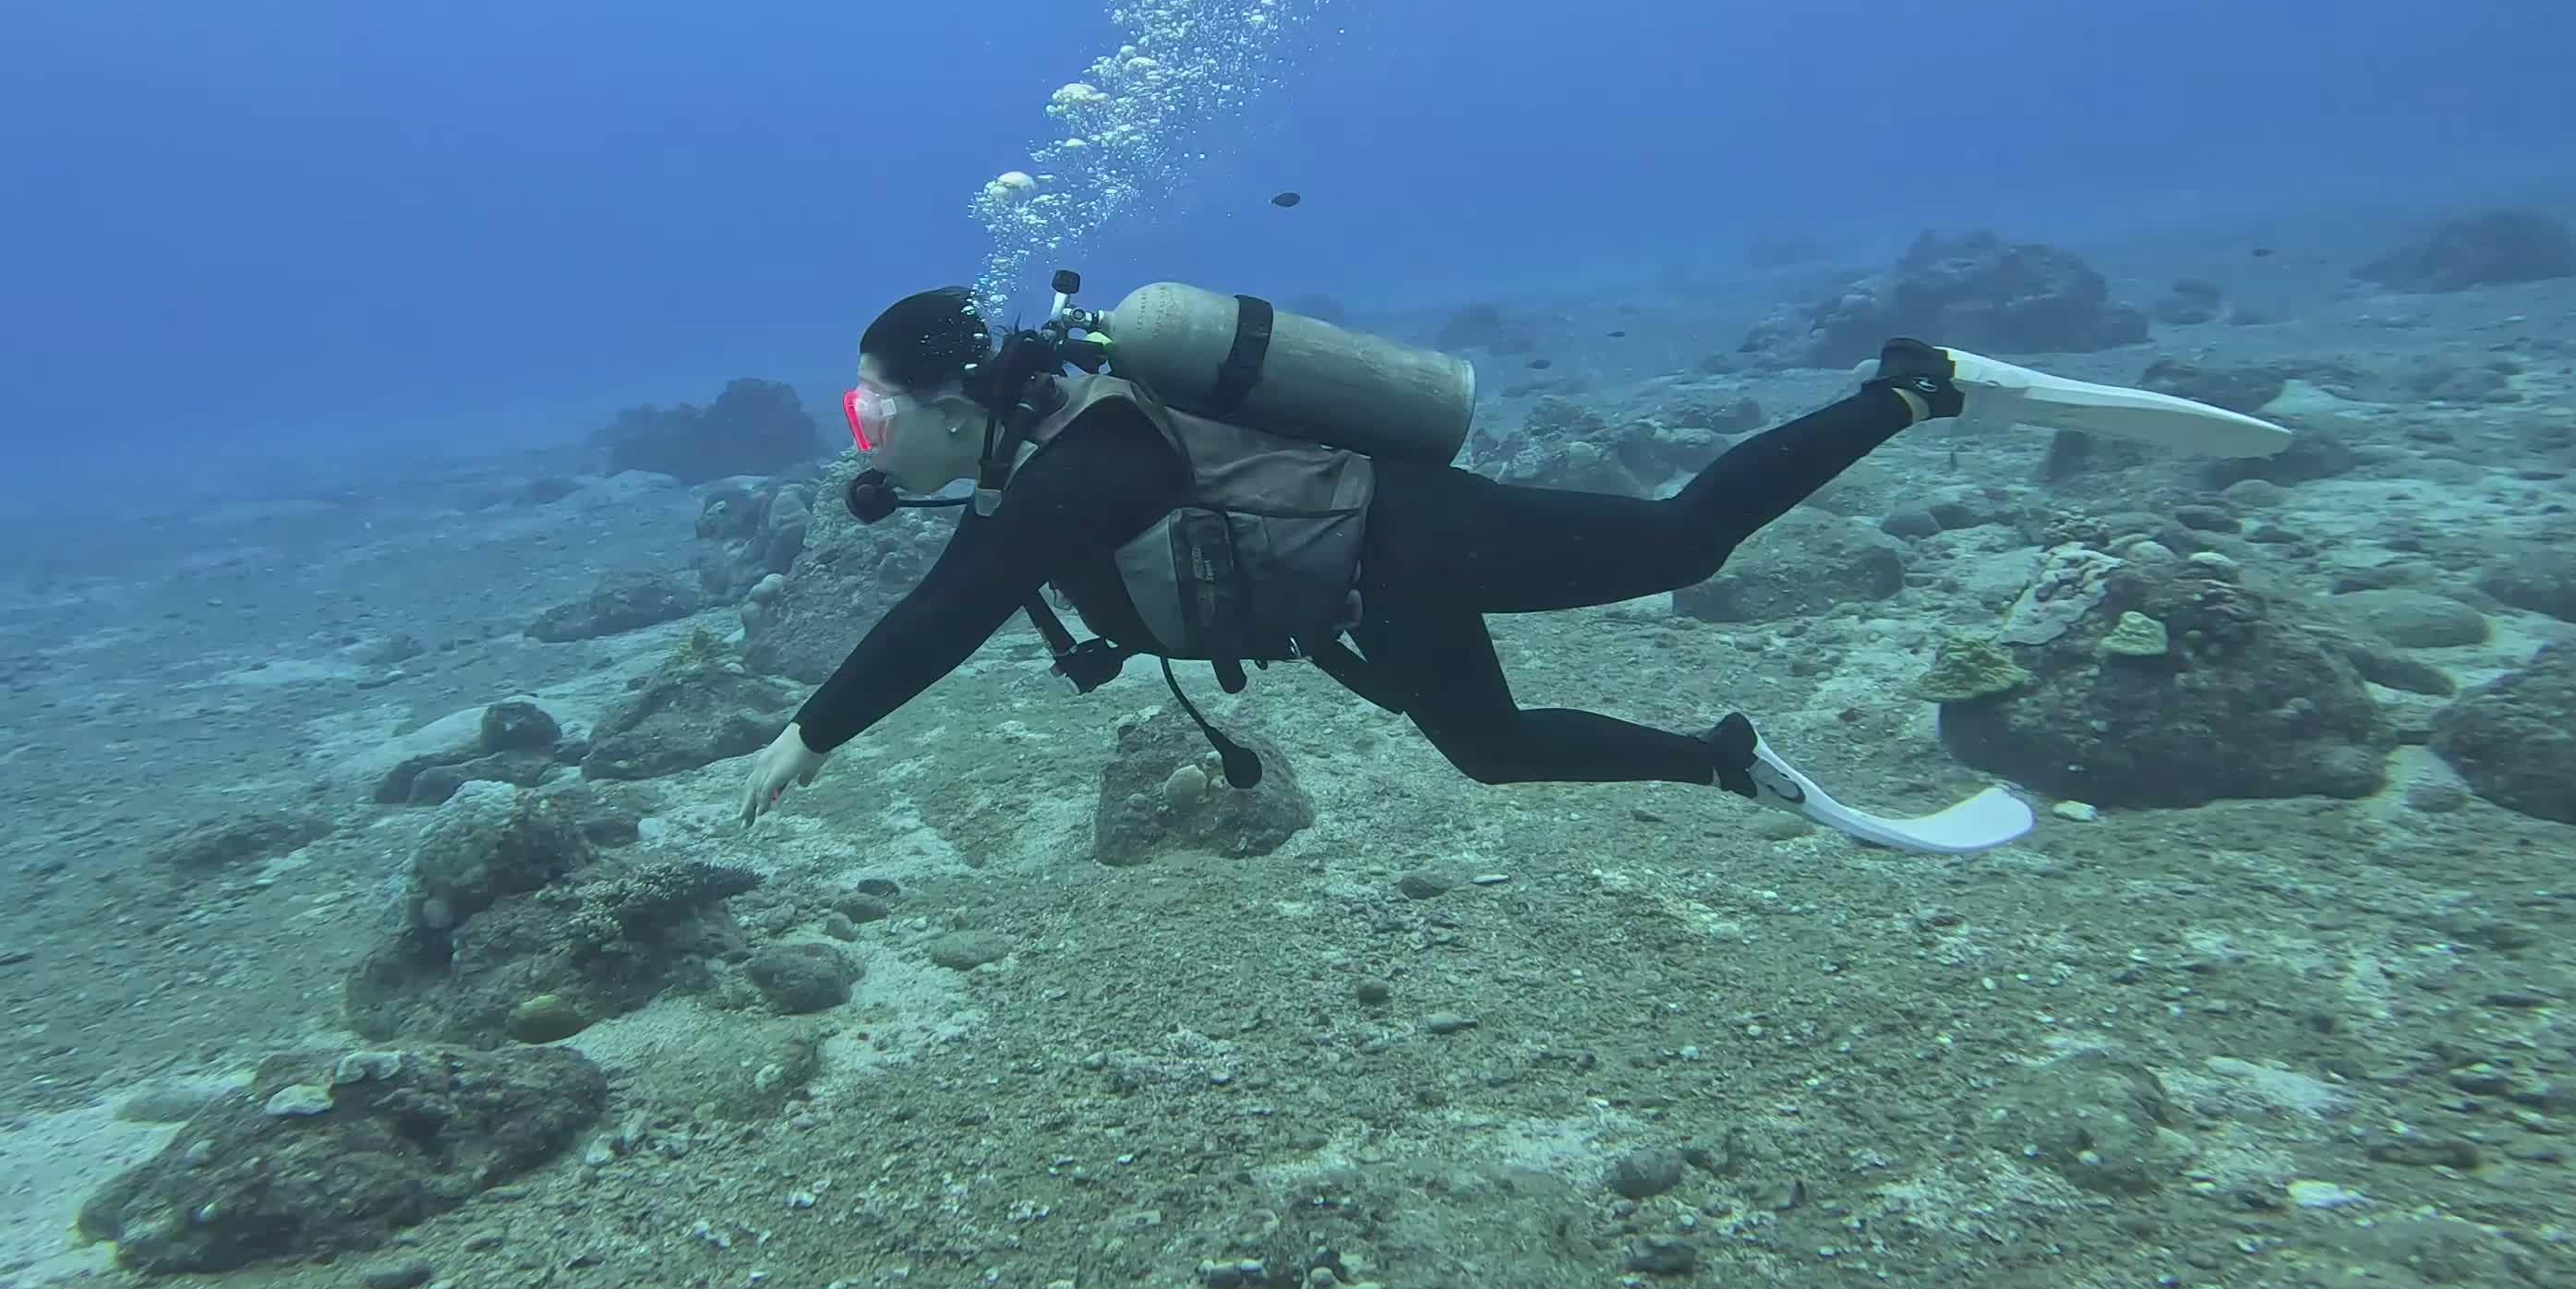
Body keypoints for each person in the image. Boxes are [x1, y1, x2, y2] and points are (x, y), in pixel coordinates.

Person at [739, 284, 2045, 832]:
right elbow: (964, 583)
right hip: (1373, 590)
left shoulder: (1076, 468)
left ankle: (1911, 388)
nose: (864, 437)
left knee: (1685, 540)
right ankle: (1725, 761)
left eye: (872, 412)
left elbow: (948, 612)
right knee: (1494, 751)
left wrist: (813, 732)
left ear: (955, 405)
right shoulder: (1029, 471)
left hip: (1415, 532)